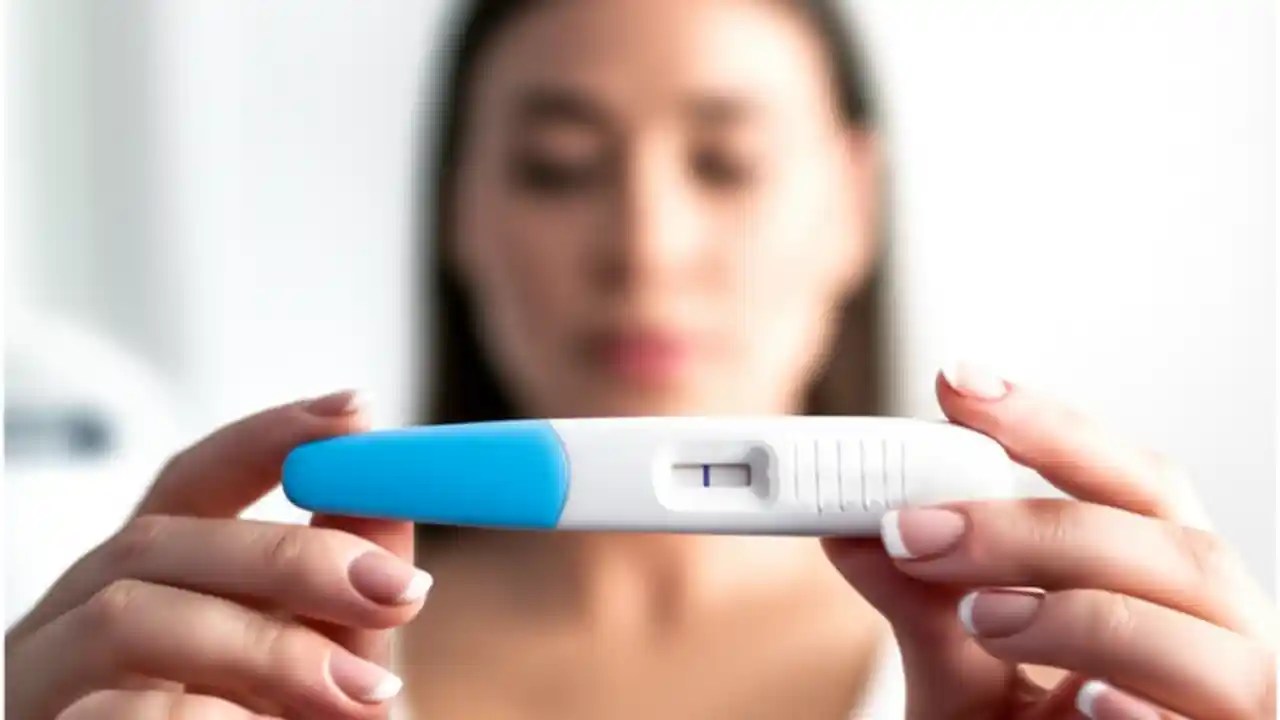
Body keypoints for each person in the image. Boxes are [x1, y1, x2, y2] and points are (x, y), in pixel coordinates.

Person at [6, 0, 1276, 718]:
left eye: (723, 165)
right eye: (557, 170)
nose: (646, 248)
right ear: (458, 213)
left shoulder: (1056, 670)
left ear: (852, 203)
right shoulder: (228, 679)